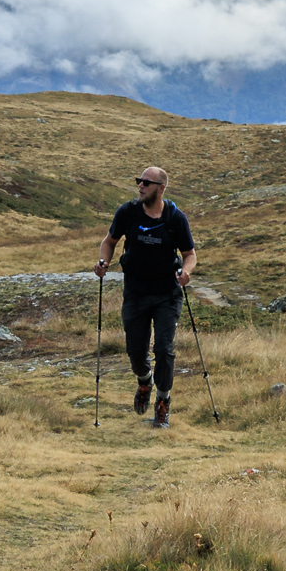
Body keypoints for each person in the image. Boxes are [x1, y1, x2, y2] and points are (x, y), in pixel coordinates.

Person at [95, 165, 194, 428]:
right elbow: (109, 242)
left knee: (164, 349)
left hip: (167, 295)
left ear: (161, 188)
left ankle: (163, 402)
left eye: (146, 183)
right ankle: (144, 380)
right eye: (139, 181)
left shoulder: (175, 217)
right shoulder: (128, 212)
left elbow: (190, 254)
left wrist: (186, 272)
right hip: (136, 293)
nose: (140, 186)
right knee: (135, 353)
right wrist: (103, 262)